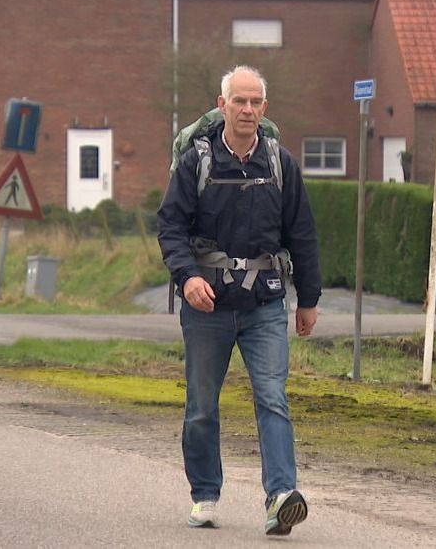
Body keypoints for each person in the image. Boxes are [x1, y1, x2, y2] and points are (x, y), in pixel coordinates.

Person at [157, 65, 321, 536]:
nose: (247, 110)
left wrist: (308, 298)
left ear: (264, 109)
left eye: (255, 103)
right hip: (206, 306)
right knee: (203, 404)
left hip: (266, 304)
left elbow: (302, 233)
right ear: (222, 103)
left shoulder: (280, 164)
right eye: (239, 101)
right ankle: (205, 494)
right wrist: (187, 278)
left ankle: (281, 497)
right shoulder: (198, 162)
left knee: (272, 397)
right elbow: (171, 227)